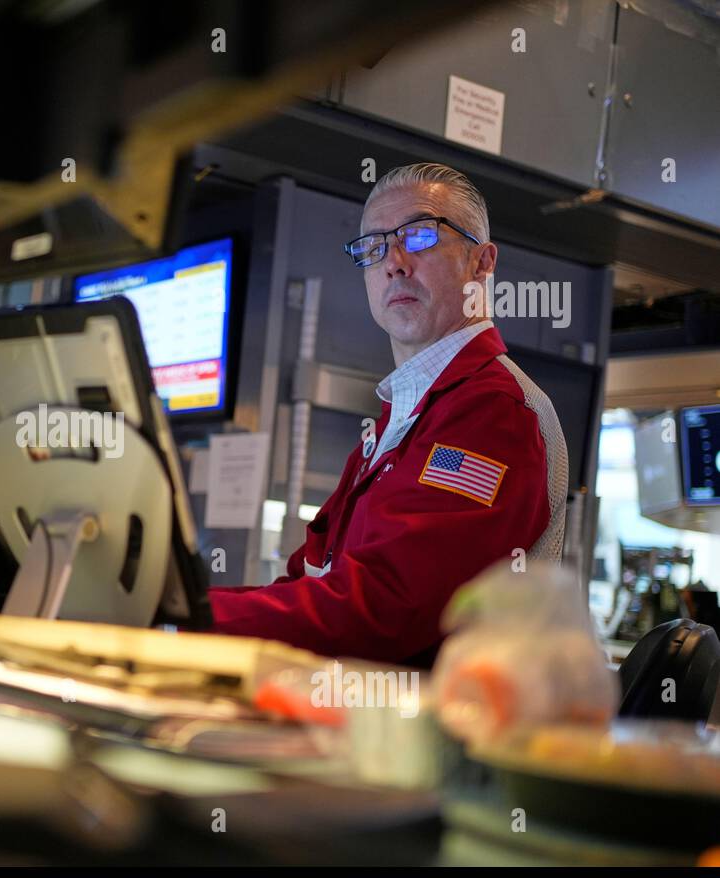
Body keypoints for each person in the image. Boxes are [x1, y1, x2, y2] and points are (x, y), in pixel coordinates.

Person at [209, 163, 567, 666]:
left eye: (418, 236)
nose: (393, 263)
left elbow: (384, 610)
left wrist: (192, 620)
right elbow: (310, 577)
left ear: (481, 263)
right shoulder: (400, 417)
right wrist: (184, 616)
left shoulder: (493, 410)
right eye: (373, 247)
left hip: (438, 736)